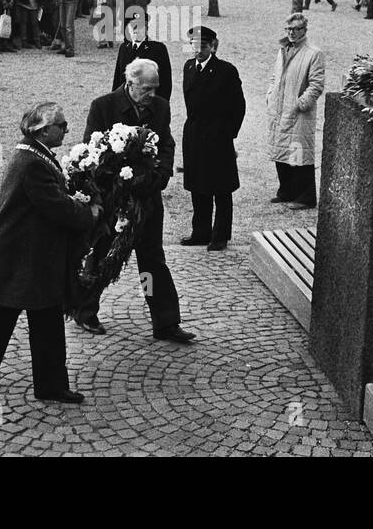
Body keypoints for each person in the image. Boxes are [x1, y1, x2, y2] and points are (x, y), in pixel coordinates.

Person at [0, 102, 100, 404]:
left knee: (12, 313)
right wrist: (88, 212)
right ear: (43, 130)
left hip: (26, 252)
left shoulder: (32, 153)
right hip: (27, 256)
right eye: (62, 125)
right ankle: (46, 383)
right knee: (37, 316)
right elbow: (58, 207)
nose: (66, 129)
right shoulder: (33, 163)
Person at [72, 59, 193, 343]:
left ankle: (166, 322)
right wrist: (120, 179)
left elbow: (166, 143)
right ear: (130, 83)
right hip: (114, 198)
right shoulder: (103, 106)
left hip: (147, 197)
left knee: (152, 260)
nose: (152, 95)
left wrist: (161, 174)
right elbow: (94, 149)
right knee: (102, 252)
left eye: (155, 89)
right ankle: (85, 310)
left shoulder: (160, 107)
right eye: (146, 89)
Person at [178, 26, 245, 251]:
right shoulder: (188, 67)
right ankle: (201, 232)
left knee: (221, 189)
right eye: (194, 46)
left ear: (212, 46)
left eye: (203, 47)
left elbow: (239, 106)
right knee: (198, 186)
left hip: (218, 138)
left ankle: (220, 235)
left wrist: (228, 133)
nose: (198, 51)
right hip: (195, 136)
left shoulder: (226, 71)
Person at [267, 12, 326, 210]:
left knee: (300, 153)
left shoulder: (313, 53)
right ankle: (285, 191)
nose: (292, 33)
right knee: (281, 150)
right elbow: (275, 76)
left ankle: (305, 197)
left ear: (304, 30)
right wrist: (271, 95)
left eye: (296, 29)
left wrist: (302, 103)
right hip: (279, 106)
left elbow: (316, 85)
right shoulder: (282, 49)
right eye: (289, 29)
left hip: (298, 111)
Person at [112, 20, 173, 100]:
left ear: (146, 29)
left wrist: (160, 106)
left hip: (148, 101)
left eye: (139, 26)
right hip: (125, 102)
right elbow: (118, 78)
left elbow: (165, 82)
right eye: (132, 25)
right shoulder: (124, 48)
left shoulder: (158, 49)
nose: (135, 29)